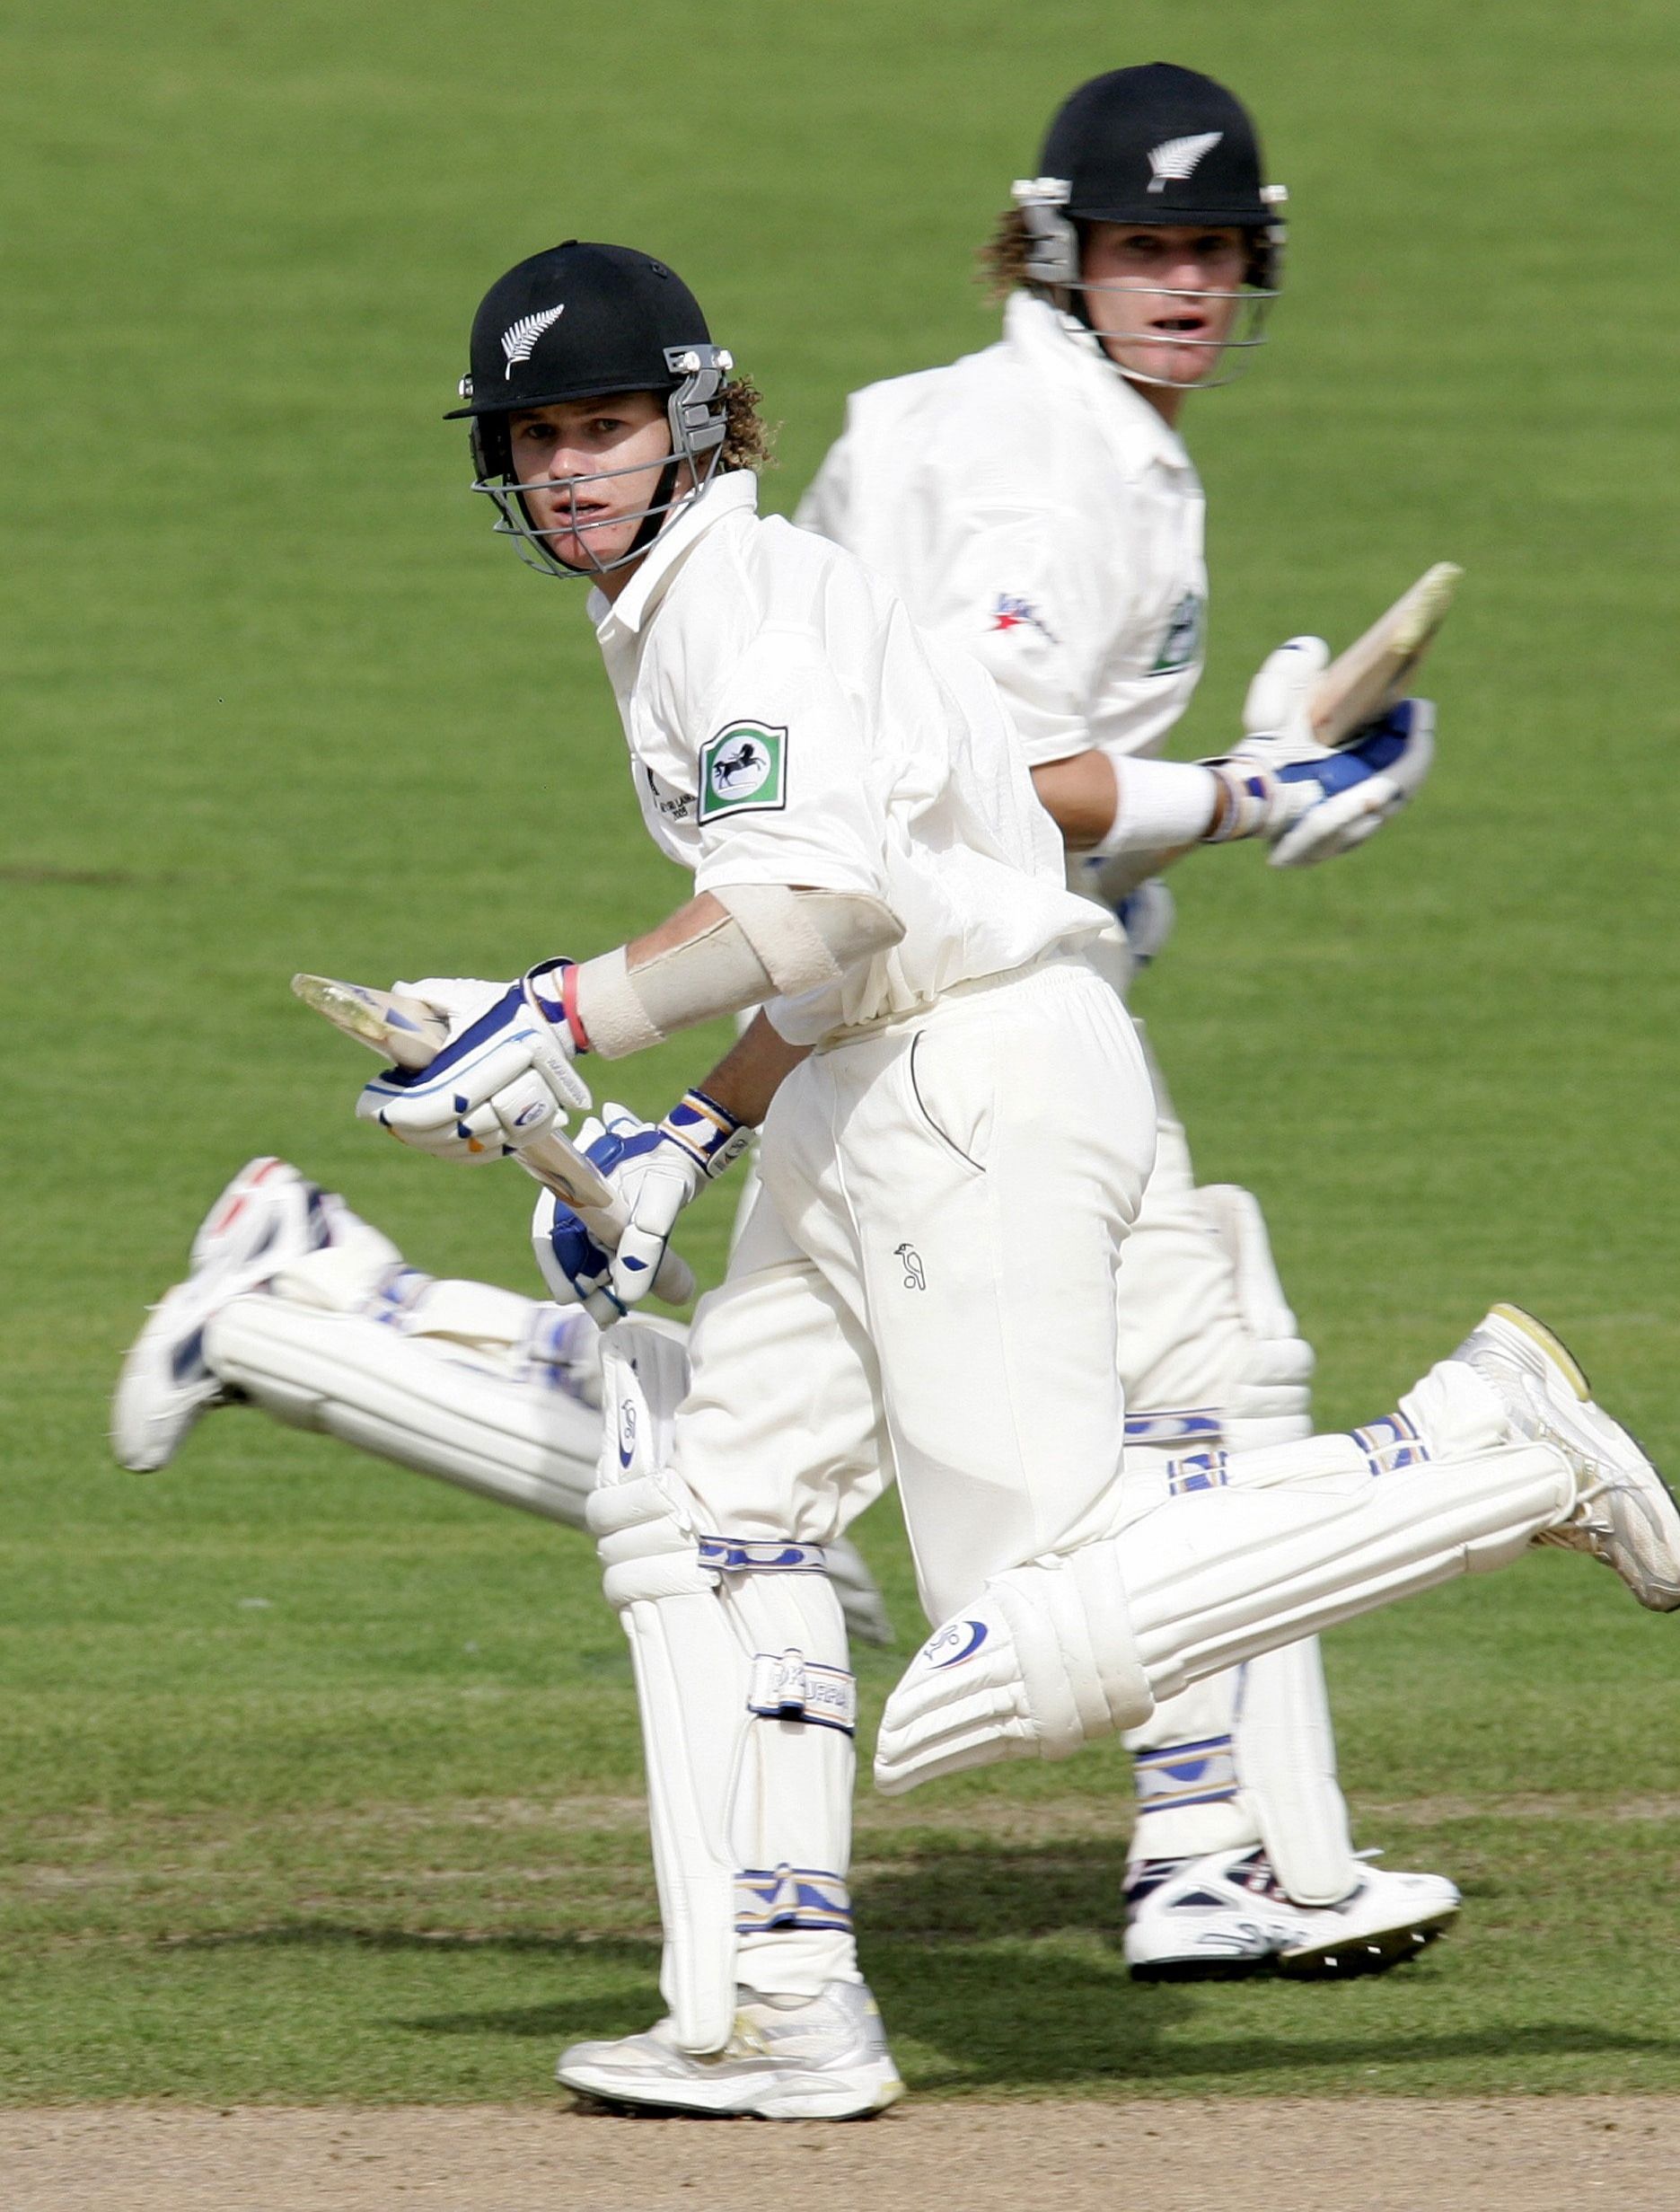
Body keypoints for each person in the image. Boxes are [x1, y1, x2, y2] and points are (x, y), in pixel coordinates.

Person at [121, 233, 1680, 2123]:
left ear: (691, 424)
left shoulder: (740, 602)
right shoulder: (697, 607)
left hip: (978, 1089)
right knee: (733, 1505)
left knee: (1030, 1636)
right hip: (875, 1080)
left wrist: (550, 1014)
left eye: (601, 427)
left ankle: (1485, 1452)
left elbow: (816, 904)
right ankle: (791, 2009)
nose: (563, 472)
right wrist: (691, 1137)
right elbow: (847, 932)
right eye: (531, 442)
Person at [791, 60, 1451, 1977]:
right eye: (1147, 247)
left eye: (1216, 251)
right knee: (1171, 1379)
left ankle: (1208, 1854)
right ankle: (1208, 1860)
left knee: (797, 1433)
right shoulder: (1052, 462)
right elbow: (988, 760)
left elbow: (930, 771)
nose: (1185, 285)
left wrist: (1156, 838)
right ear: (1063, 251)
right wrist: (1245, 800)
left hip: (881, 981)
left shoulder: (993, 418)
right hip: (967, 1020)